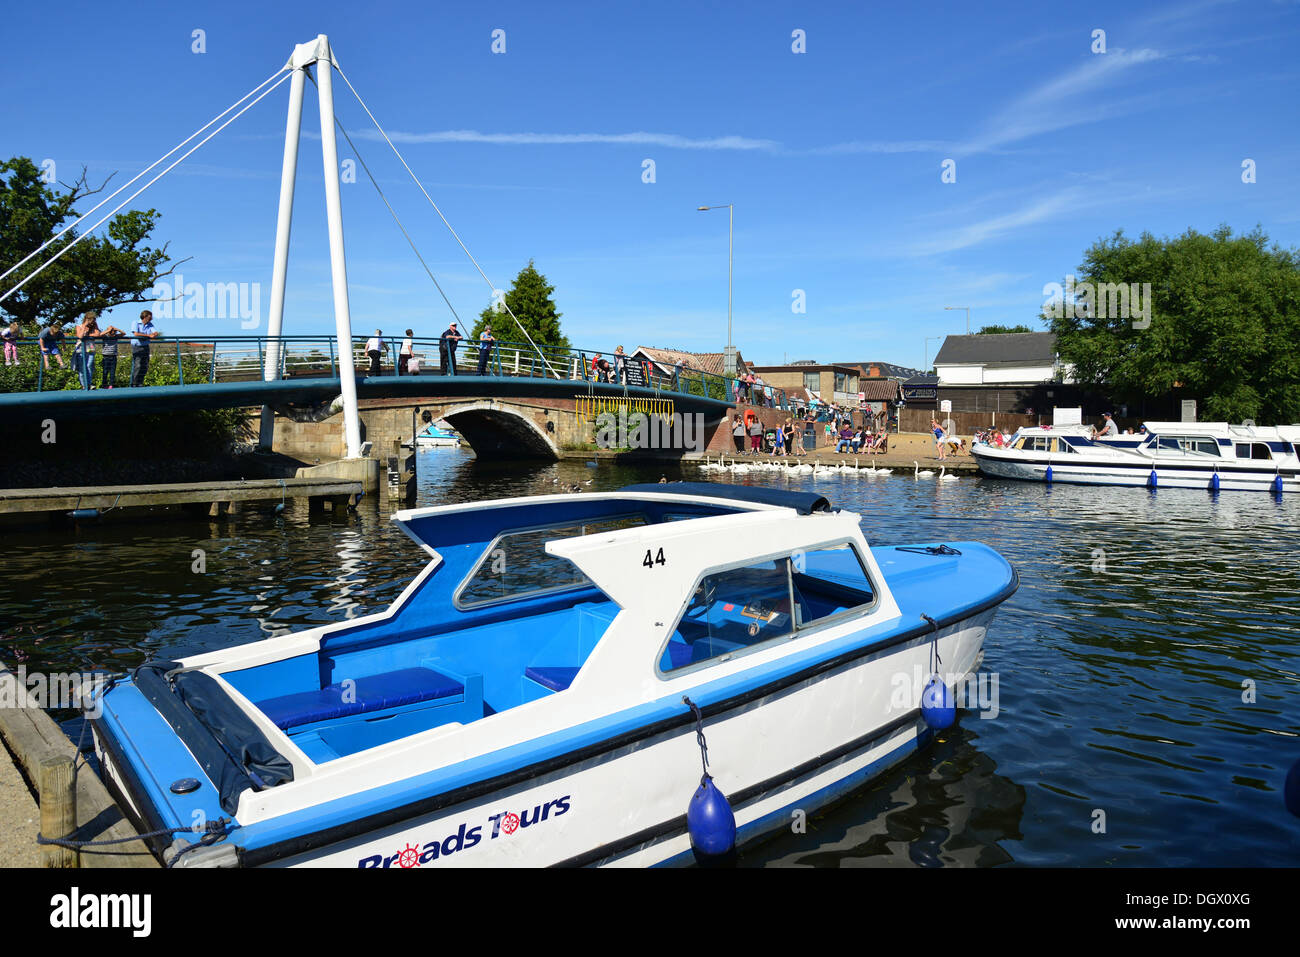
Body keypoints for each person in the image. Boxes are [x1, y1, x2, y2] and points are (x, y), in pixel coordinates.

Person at [130, 310, 158, 386]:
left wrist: (154, 334)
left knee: (145, 365)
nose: (151, 318)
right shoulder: (135, 322)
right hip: (137, 346)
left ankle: (140, 383)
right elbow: (136, 333)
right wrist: (148, 335)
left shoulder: (150, 324)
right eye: (150, 316)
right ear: (145, 316)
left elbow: (155, 332)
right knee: (137, 365)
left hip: (145, 346)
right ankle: (134, 383)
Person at [73, 311, 100, 390]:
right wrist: (84, 326)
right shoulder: (79, 326)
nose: (92, 323)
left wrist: (90, 333)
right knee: (82, 368)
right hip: (81, 349)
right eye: (91, 320)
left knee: (89, 366)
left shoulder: (94, 327)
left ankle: (89, 383)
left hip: (90, 348)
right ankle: (84, 385)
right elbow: (80, 336)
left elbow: (98, 334)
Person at [98, 322, 126, 388]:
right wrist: (108, 330)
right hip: (106, 356)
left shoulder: (116, 336)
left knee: (112, 372)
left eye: (113, 330)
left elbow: (124, 333)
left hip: (113, 356)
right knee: (105, 371)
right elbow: (99, 335)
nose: (112, 331)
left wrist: (117, 329)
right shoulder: (105, 336)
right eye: (111, 330)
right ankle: (104, 384)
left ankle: (111, 384)